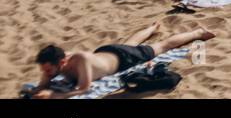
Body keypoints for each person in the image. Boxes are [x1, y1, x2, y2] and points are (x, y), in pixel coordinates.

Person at [30, 23, 215, 98]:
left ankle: (197, 32)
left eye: (47, 69)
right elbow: (43, 83)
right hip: (106, 53)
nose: (46, 73)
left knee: (161, 46)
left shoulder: (80, 59)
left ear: (61, 63)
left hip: (123, 59)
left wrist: (57, 96)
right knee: (130, 43)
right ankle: (151, 28)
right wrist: (38, 91)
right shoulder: (53, 61)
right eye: (44, 69)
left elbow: (84, 88)